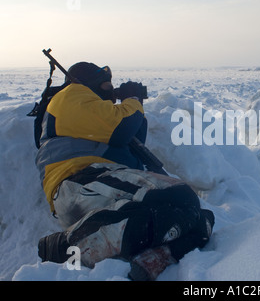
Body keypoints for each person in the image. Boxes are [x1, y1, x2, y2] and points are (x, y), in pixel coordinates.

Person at [35, 62, 214, 280]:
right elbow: (122, 128)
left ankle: (154, 258)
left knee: (200, 219)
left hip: (101, 191)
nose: (111, 90)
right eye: (106, 84)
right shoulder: (71, 94)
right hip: (82, 182)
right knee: (181, 197)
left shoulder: (92, 115)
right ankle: (63, 246)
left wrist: (132, 104)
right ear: (87, 81)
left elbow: (133, 135)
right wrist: (132, 100)